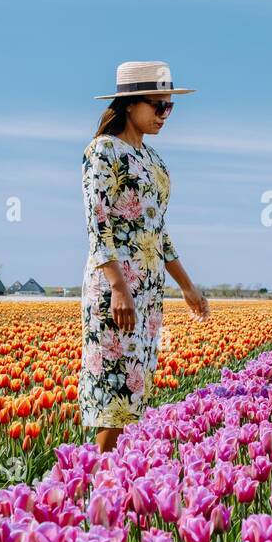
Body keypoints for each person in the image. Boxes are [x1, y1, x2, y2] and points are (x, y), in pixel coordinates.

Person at [78, 60, 210, 453]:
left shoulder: (154, 160)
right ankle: (99, 477)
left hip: (149, 289)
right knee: (113, 386)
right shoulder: (103, 151)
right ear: (130, 103)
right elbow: (98, 223)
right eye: (158, 106)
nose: (165, 115)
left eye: (170, 107)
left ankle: (122, 476)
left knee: (137, 383)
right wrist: (118, 288)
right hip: (116, 287)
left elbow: (158, 232)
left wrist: (187, 286)